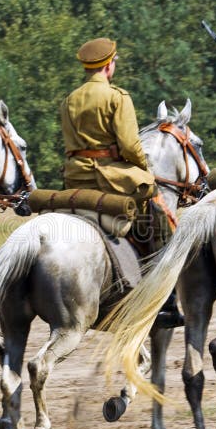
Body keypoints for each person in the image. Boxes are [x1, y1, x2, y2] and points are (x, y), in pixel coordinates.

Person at [60, 37, 183, 328]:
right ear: (108, 65)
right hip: (111, 175)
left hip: (75, 177)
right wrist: (143, 168)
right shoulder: (117, 98)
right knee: (158, 207)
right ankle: (166, 299)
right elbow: (130, 145)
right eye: (114, 61)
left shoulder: (69, 100)